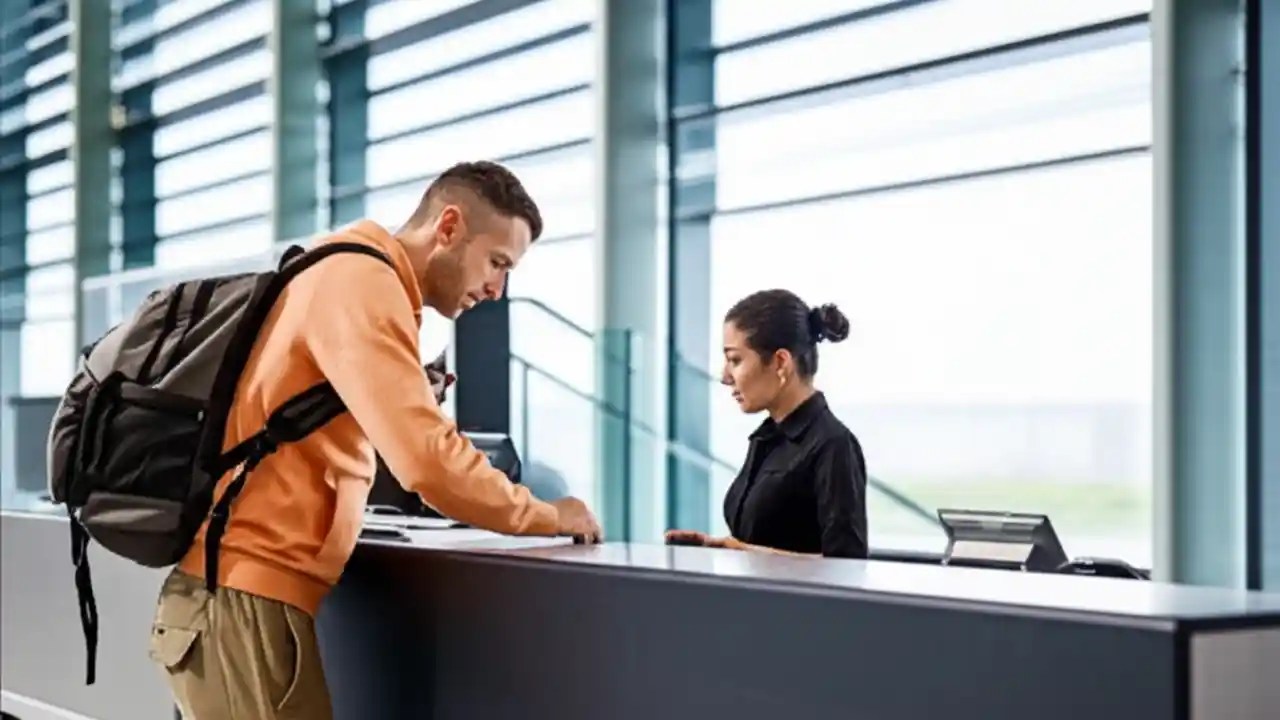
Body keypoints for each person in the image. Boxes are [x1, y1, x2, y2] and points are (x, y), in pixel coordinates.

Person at [148, 161, 602, 719]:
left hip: (240, 597)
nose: (496, 288)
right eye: (497, 262)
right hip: (245, 600)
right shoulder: (362, 281)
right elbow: (427, 463)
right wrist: (549, 515)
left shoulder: (350, 274)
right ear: (449, 226)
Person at [666, 289, 868, 559]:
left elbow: (848, 566)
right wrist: (714, 546)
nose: (725, 377)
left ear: (780, 362)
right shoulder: (767, 438)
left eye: (735, 360)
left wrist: (745, 551)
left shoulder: (833, 445)